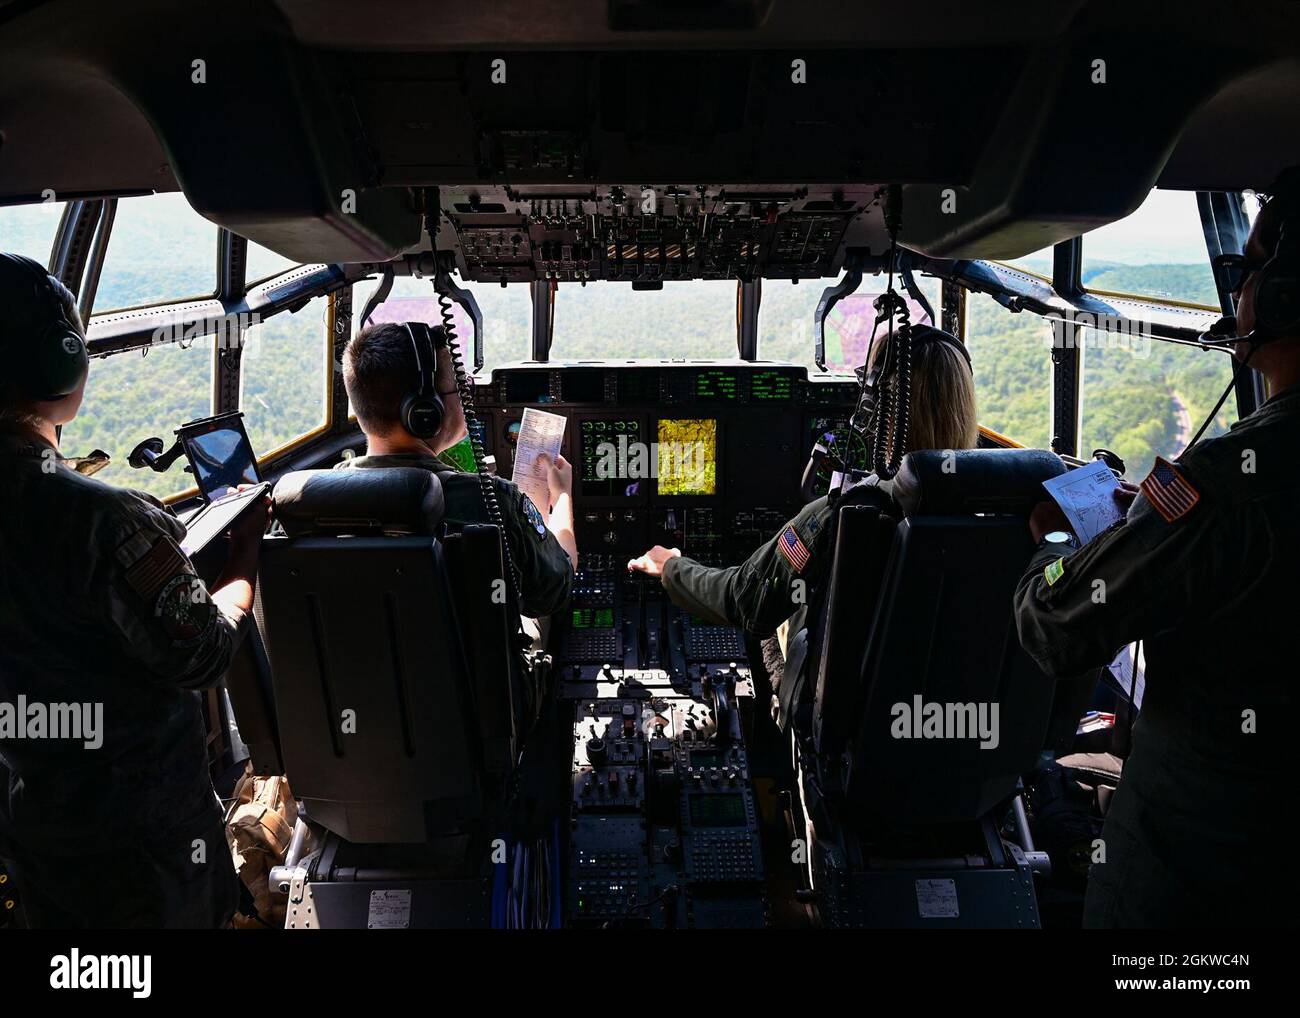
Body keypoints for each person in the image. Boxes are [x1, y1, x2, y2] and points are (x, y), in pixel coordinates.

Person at [1013, 172, 1300, 928]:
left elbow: (1054, 623)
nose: (1238, 290)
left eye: (1252, 270)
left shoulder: (1227, 489)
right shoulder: (1222, 494)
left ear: (1287, 298)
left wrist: (1058, 541)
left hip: (1195, 878)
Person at [0, 252, 268, 928]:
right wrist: (243, 561)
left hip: (36, 829)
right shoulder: (101, 519)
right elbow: (204, 653)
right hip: (145, 850)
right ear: (60, 362)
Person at [628, 324, 979, 715]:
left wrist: (672, 567)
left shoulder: (844, 515)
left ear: (878, 408)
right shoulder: (1001, 511)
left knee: (767, 615)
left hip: (844, 731)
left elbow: (743, 599)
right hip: (952, 729)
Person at [339, 320, 576, 620]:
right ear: (424, 411)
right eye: (460, 386)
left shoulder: (309, 505)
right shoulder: (494, 503)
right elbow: (556, 587)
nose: (467, 396)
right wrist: (563, 495)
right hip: (478, 668)